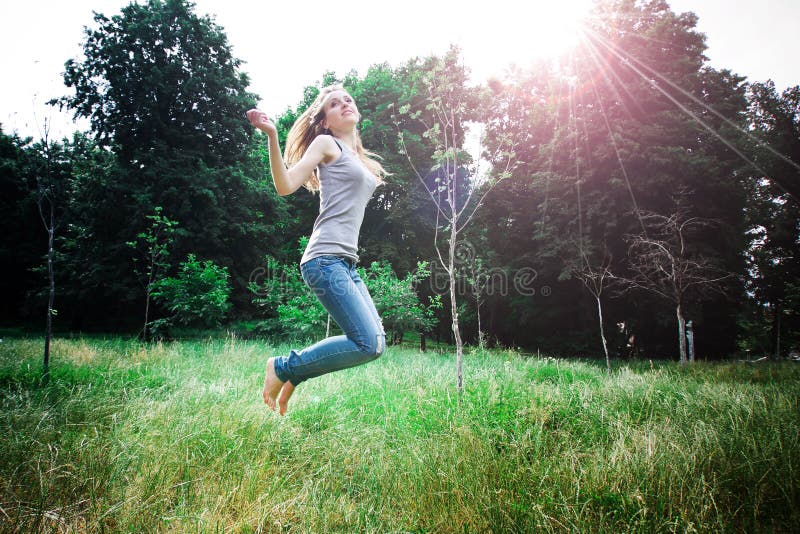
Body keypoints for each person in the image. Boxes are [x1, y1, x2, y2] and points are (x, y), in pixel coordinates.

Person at [246, 85, 388, 415]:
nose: (344, 105)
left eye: (348, 100)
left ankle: (294, 376)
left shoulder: (359, 158)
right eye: (334, 105)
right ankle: (283, 367)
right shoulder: (327, 143)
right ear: (324, 121)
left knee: (376, 343)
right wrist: (271, 136)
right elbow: (284, 186)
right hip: (324, 259)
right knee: (366, 343)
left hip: (347, 263)